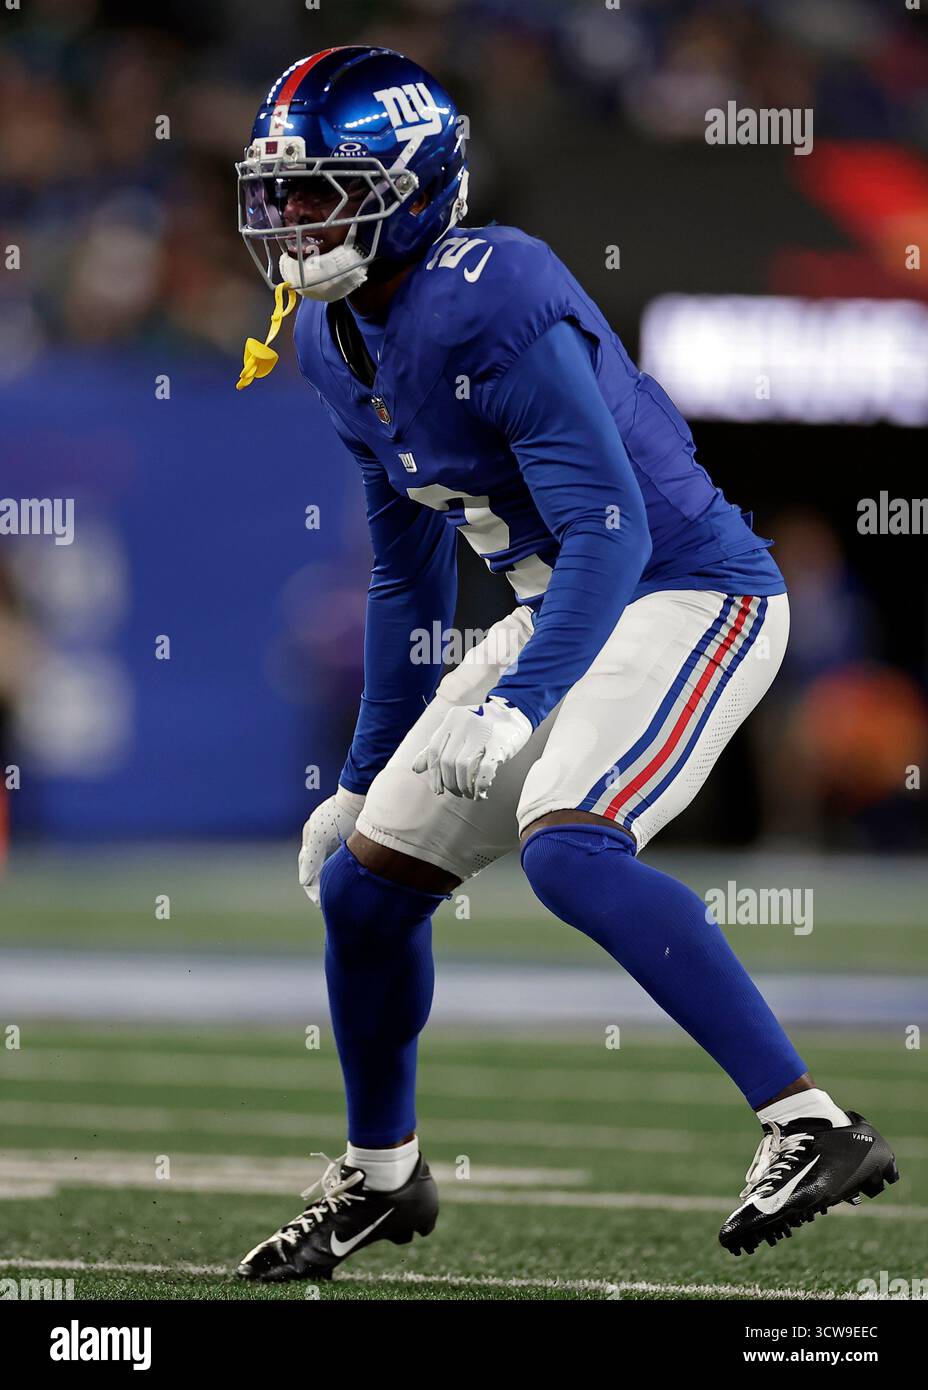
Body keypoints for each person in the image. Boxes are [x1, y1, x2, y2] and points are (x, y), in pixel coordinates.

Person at [233, 47, 897, 1282]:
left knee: (570, 841)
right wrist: (359, 771)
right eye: (284, 193)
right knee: (367, 892)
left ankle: (807, 1121)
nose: (293, 220)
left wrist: (526, 701)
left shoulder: (494, 286)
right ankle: (381, 1175)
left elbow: (614, 527)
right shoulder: (333, 337)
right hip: (563, 604)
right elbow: (404, 573)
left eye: (323, 190)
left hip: (689, 589)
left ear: (413, 183)